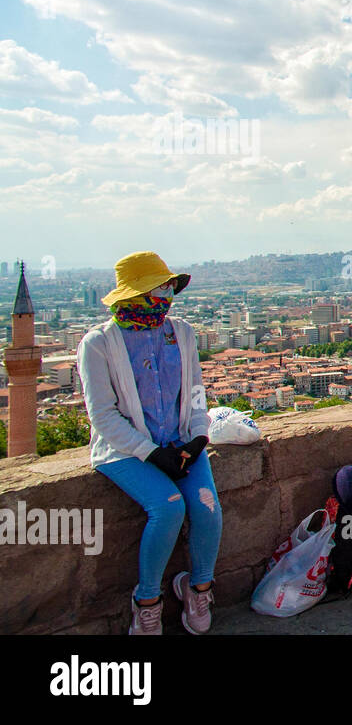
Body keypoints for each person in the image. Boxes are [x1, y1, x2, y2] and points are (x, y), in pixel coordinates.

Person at [76, 251, 220, 634]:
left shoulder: (181, 332)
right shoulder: (99, 344)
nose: (168, 296)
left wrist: (197, 436)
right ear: (134, 294)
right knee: (169, 507)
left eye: (169, 287)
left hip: (180, 442)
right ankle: (147, 601)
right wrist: (151, 453)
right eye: (160, 288)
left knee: (207, 508)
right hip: (124, 450)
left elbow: (193, 393)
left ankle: (199, 588)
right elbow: (103, 417)